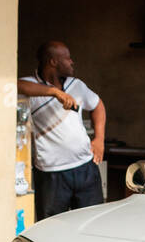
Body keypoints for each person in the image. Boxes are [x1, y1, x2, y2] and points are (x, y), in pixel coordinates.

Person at [18, 41, 107, 220]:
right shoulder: (30, 85)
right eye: (67, 58)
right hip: (51, 173)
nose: (72, 62)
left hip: (85, 168)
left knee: (93, 223)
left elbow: (98, 105)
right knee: (52, 227)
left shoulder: (77, 85)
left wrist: (99, 139)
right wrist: (55, 93)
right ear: (53, 62)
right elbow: (16, 86)